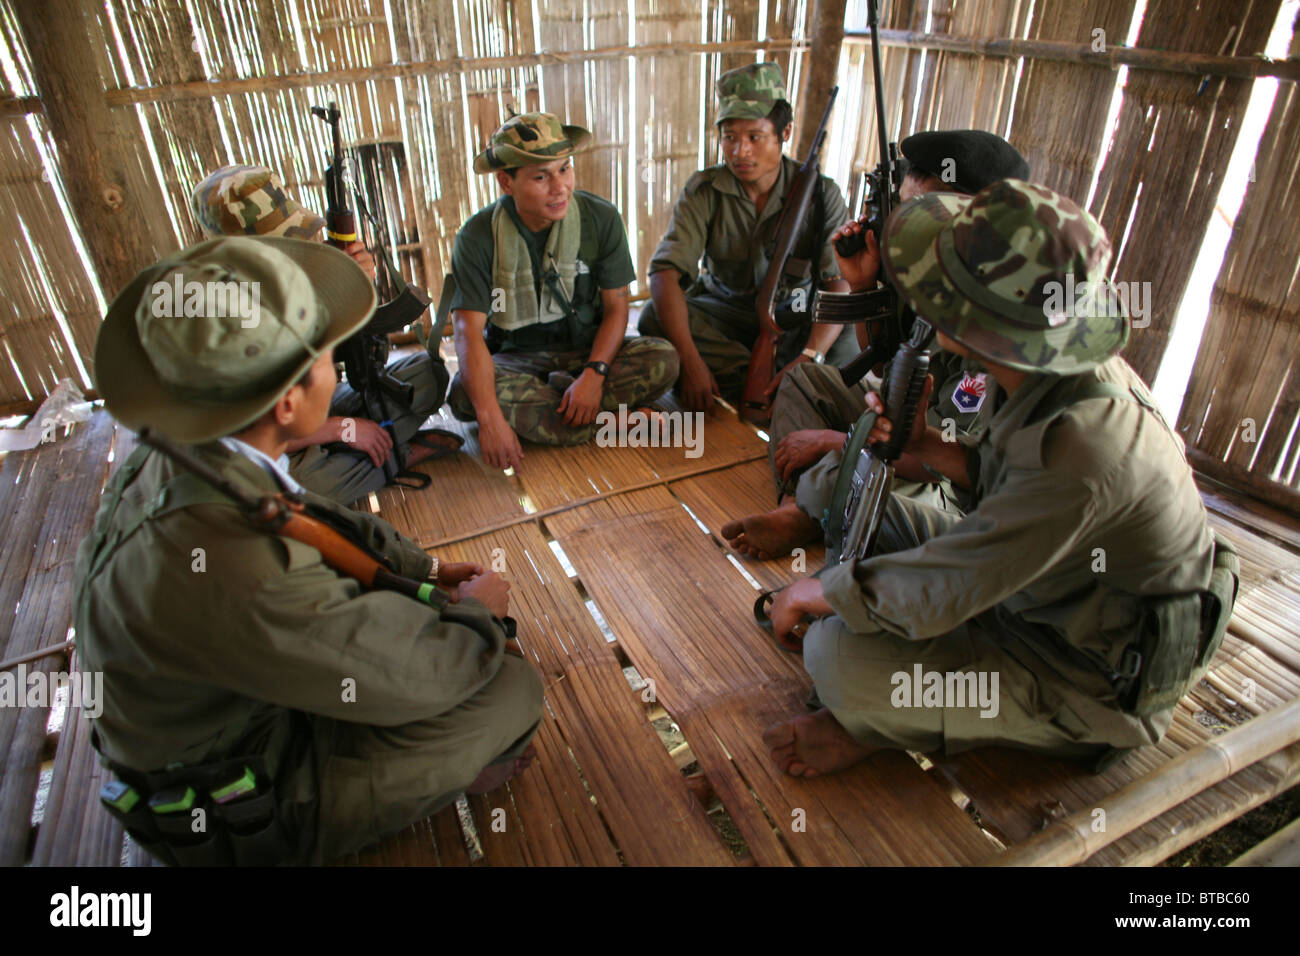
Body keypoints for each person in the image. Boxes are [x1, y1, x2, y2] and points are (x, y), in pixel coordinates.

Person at [725, 180, 1237, 775]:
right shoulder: (1040, 368)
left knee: (836, 657)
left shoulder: (1083, 447)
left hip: (1089, 667)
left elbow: (952, 584)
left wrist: (813, 592)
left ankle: (895, 724)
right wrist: (929, 447)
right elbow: (995, 481)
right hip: (1039, 584)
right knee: (856, 495)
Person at [75, 236, 542, 865]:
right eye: (327, 357)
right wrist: (478, 616)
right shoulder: (231, 563)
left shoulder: (184, 448)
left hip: (223, 708)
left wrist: (421, 570)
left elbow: (305, 516)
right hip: (232, 781)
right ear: (291, 401)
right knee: (508, 689)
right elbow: (418, 676)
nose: (336, 368)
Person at [763, 129, 1030, 504]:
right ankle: (799, 503)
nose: (908, 231)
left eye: (925, 216)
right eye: (904, 212)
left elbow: (937, 459)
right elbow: (880, 360)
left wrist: (833, 441)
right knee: (805, 380)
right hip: (900, 426)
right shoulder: (925, 267)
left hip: (951, 483)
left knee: (882, 486)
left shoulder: (999, 316)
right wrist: (863, 284)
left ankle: (809, 507)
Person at [191, 164, 461, 504]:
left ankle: (365, 454)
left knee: (428, 376)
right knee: (292, 493)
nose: (292, 253)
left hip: (320, 406)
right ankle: (395, 457)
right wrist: (342, 429)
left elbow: (365, 360)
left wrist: (357, 285)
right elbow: (242, 441)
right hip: (270, 440)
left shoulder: (292, 277)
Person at [445, 112, 679, 470]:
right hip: (517, 360)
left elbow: (617, 308)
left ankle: (558, 412)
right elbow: (467, 331)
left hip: (588, 351)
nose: (560, 188)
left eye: (564, 170)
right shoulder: (478, 236)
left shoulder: (600, 218)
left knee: (663, 359)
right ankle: (613, 424)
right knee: (466, 394)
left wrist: (594, 374)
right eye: (541, 177)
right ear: (506, 182)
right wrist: (490, 420)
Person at [639, 61, 856, 413]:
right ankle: (776, 386)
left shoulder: (820, 194)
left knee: (846, 334)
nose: (740, 151)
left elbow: (839, 285)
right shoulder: (704, 189)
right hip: (726, 317)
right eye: (730, 138)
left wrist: (808, 354)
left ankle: (786, 376)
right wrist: (692, 362)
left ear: (784, 134)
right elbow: (665, 274)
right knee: (653, 316)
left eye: (754, 137)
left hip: (796, 316)